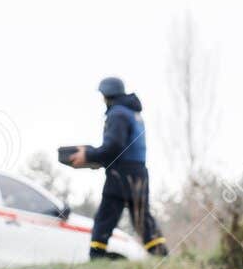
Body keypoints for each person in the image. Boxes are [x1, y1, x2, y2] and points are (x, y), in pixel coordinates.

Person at [67, 76, 168, 259]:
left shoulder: (117, 114)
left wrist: (88, 156)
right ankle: (161, 256)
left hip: (121, 175)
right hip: (138, 173)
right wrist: (95, 160)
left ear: (107, 94)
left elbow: (114, 147)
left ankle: (97, 256)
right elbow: (121, 149)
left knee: (105, 216)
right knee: (141, 219)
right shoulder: (133, 113)